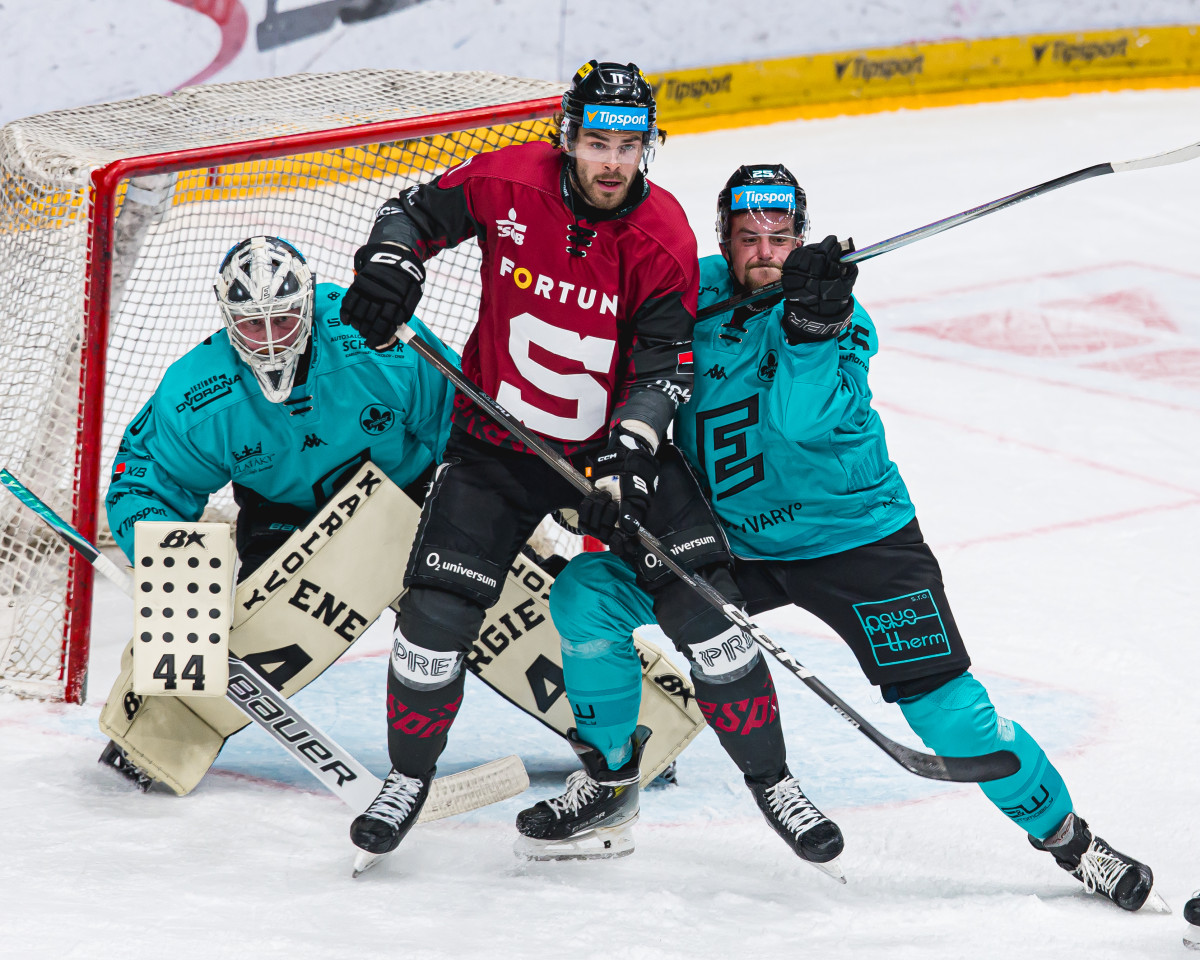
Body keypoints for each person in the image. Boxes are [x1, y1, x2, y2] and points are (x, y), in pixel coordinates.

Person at [534, 164, 1164, 910]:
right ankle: (609, 778)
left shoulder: (839, 315)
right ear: (722, 240)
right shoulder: (685, 292)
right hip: (733, 542)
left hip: (856, 545)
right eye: (747, 238)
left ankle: (1071, 841)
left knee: (948, 714)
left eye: (779, 236)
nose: (764, 252)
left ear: (801, 238)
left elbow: (800, 425)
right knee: (585, 595)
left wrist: (812, 328)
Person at [337, 61, 839, 865]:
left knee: (708, 615)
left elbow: (666, 360)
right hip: (496, 445)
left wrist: (631, 452)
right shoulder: (506, 179)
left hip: (609, 453)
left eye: (630, 145)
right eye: (597, 141)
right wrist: (394, 261)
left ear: (649, 147)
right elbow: (413, 215)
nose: (613, 161)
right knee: (434, 619)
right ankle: (406, 780)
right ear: (567, 138)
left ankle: (774, 782)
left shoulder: (664, 231)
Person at [100, 234, 457, 786]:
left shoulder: (374, 336)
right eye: (250, 324)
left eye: (284, 319)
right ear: (226, 317)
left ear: (310, 303)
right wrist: (172, 564)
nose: (268, 341)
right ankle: (153, 730)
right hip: (289, 521)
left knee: (477, 598)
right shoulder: (199, 390)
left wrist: (501, 504)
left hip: (408, 501)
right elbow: (144, 480)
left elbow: (459, 418)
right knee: (227, 623)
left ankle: (613, 723)